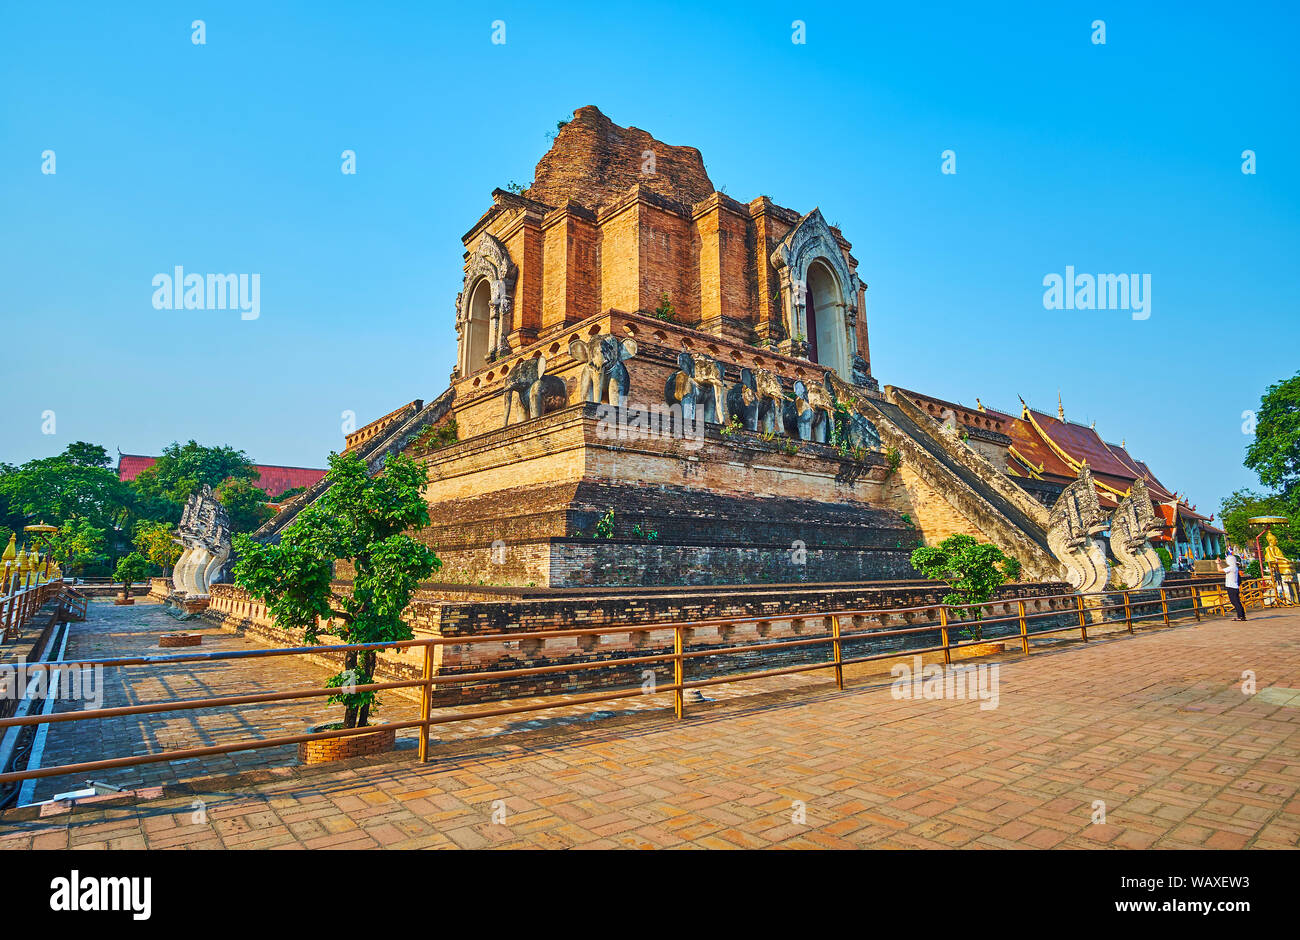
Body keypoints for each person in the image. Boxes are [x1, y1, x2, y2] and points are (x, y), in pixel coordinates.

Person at [1217, 552, 1247, 621]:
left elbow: (1219, 570)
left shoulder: (1231, 568)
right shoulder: (1234, 567)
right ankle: (1242, 615)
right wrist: (1221, 563)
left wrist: (1218, 563)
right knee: (1237, 602)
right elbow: (1224, 569)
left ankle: (1240, 616)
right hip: (1235, 586)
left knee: (1235, 602)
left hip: (1231, 587)